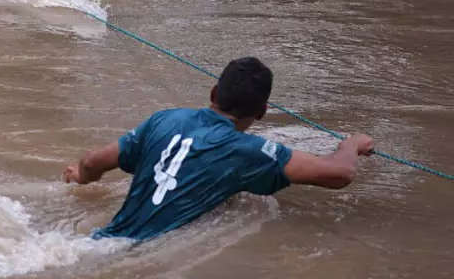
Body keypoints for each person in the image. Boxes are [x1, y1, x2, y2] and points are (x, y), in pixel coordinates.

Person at [63, 57, 375, 241]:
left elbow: (92, 161)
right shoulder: (249, 151)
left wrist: (81, 176)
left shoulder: (166, 118)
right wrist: (352, 144)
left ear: (213, 92)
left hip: (101, 240)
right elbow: (341, 173)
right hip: (139, 251)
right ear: (262, 111)